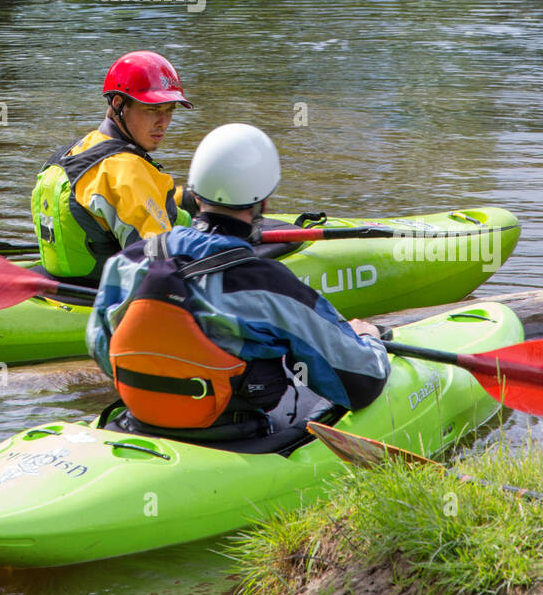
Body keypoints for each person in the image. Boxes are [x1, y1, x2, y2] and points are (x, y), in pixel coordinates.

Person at [86, 122, 390, 437]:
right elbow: (362, 382)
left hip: (139, 423)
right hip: (233, 436)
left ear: (194, 194)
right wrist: (367, 338)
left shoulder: (125, 262)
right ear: (265, 202)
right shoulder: (270, 285)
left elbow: (102, 351)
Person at [30, 51, 196, 283]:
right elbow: (157, 266)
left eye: (169, 110)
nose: (163, 123)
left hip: (66, 278)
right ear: (118, 104)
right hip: (102, 294)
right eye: (152, 110)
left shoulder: (78, 150)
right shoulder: (127, 169)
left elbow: (116, 199)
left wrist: (187, 200)